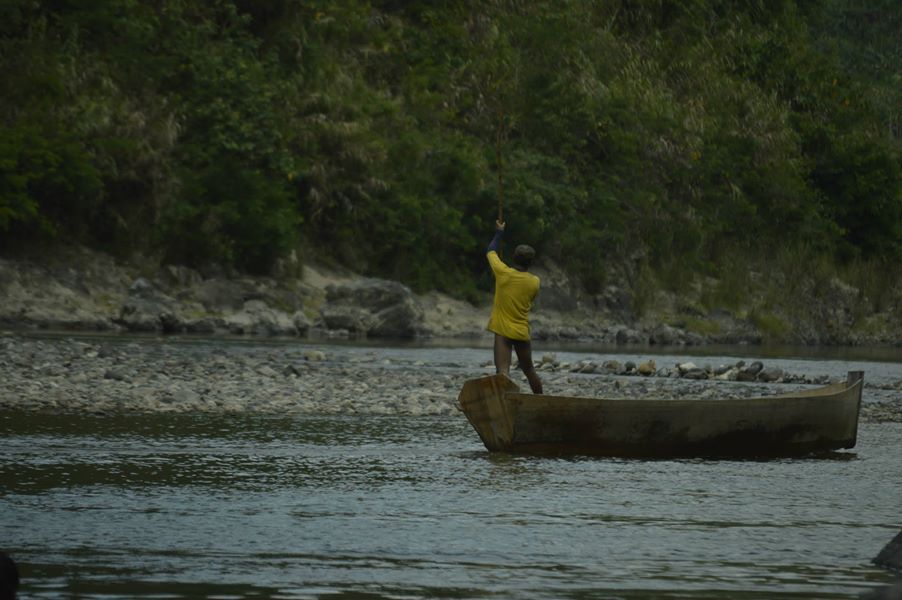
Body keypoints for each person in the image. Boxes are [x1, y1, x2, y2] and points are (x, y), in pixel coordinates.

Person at [486, 220, 543, 394]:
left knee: (502, 372)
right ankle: (541, 400)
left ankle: (505, 403)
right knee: (529, 371)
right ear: (530, 263)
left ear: (513, 257)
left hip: (503, 332)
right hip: (521, 332)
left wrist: (499, 233)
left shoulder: (503, 273)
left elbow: (490, 250)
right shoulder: (535, 282)